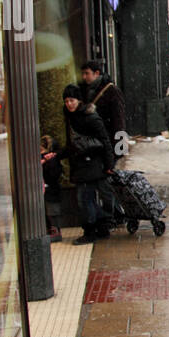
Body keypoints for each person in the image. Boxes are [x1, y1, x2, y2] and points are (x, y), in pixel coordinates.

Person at [62, 85, 114, 244]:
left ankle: (91, 231)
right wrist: (57, 155)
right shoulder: (71, 117)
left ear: (79, 100)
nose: (69, 104)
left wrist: (109, 164)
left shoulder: (90, 117)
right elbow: (72, 145)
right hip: (82, 164)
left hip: (91, 164)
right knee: (87, 199)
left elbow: (105, 140)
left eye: (71, 100)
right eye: (66, 101)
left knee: (85, 199)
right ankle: (102, 227)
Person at [80, 61, 126, 163]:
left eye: (87, 73)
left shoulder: (111, 91)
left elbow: (119, 121)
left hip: (107, 140)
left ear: (96, 73)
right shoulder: (85, 90)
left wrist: (119, 148)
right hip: (93, 142)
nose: (84, 77)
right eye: (83, 73)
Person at [41, 134, 63, 241]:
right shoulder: (49, 159)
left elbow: (53, 174)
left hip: (50, 189)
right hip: (51, 189)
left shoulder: (50, 159)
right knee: (50, 211)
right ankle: (53, 231)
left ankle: (55, 232)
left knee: (52, 212)